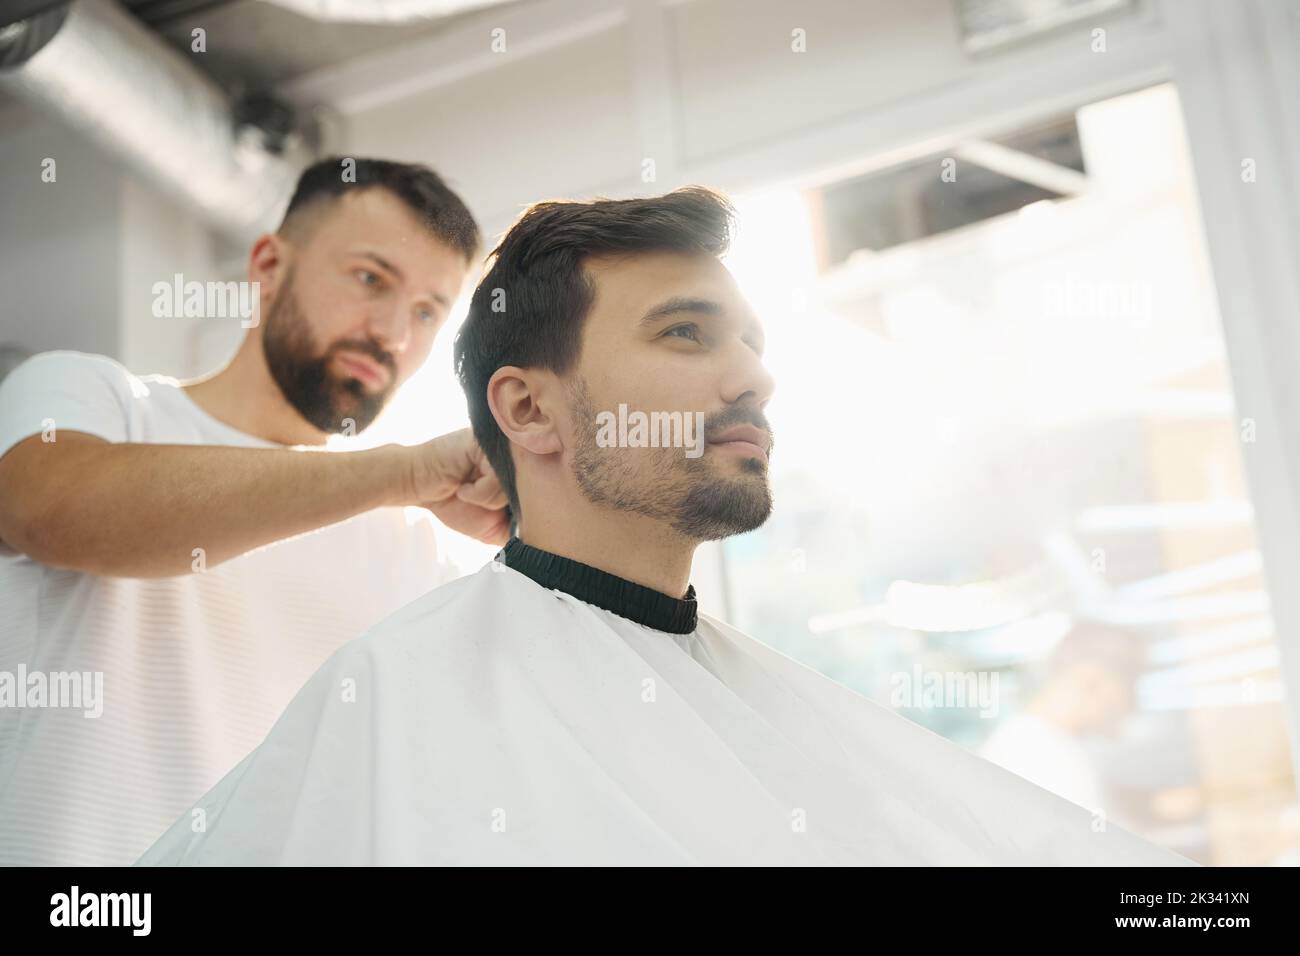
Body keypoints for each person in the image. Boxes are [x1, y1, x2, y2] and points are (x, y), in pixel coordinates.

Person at [137, 187, 1194, 865]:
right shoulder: (396, 693)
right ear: (527, 408)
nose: (752, 375)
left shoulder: (766, 701)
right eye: (687, 334)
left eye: (750, 338)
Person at [0, 158, 508, 866]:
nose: (394, 333)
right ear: (269, 265)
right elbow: (46, 508)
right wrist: (404, 470)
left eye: (427, 311)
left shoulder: (419, 546)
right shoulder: (95, 398)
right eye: (371, 279)